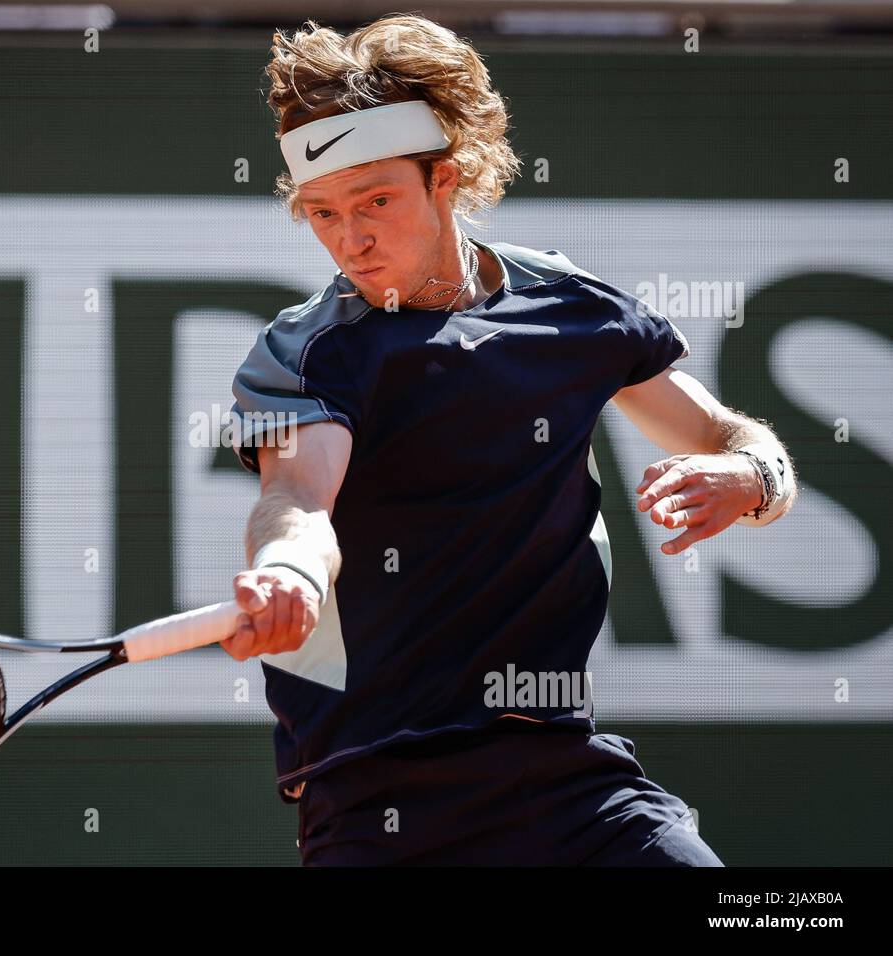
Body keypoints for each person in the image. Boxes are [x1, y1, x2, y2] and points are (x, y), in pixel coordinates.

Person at [224, 14, 797, 866]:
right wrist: (288, 569)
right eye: (324, 213)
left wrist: (749, 475)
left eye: (377, 201)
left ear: (445, 178)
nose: (352, 238)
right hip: (378, 797)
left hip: (567, 779)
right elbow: (298, 497)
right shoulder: (306, 351)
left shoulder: (572, 307)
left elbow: (736, 437)